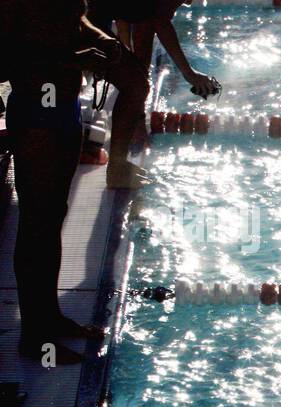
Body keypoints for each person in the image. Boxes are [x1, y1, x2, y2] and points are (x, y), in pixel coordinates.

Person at [0, 0, 116, 364]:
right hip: (37, 111)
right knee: (37, 222)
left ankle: (49, 317)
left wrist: (104, 44)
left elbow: (72, 20)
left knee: (52, 218)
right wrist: (69, 60)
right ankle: (34, 338)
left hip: (63, 106)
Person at [85, 0, 220, 188]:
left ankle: (117, 167)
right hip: (72, 21)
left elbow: (144, 50)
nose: (188, 3)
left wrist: (138, 120)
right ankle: (115, 169)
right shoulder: (154, 7)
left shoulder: (148, 9)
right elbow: (160, 22)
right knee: (134, 84)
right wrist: (189, 73)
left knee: (136, 83)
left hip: (85, 19)